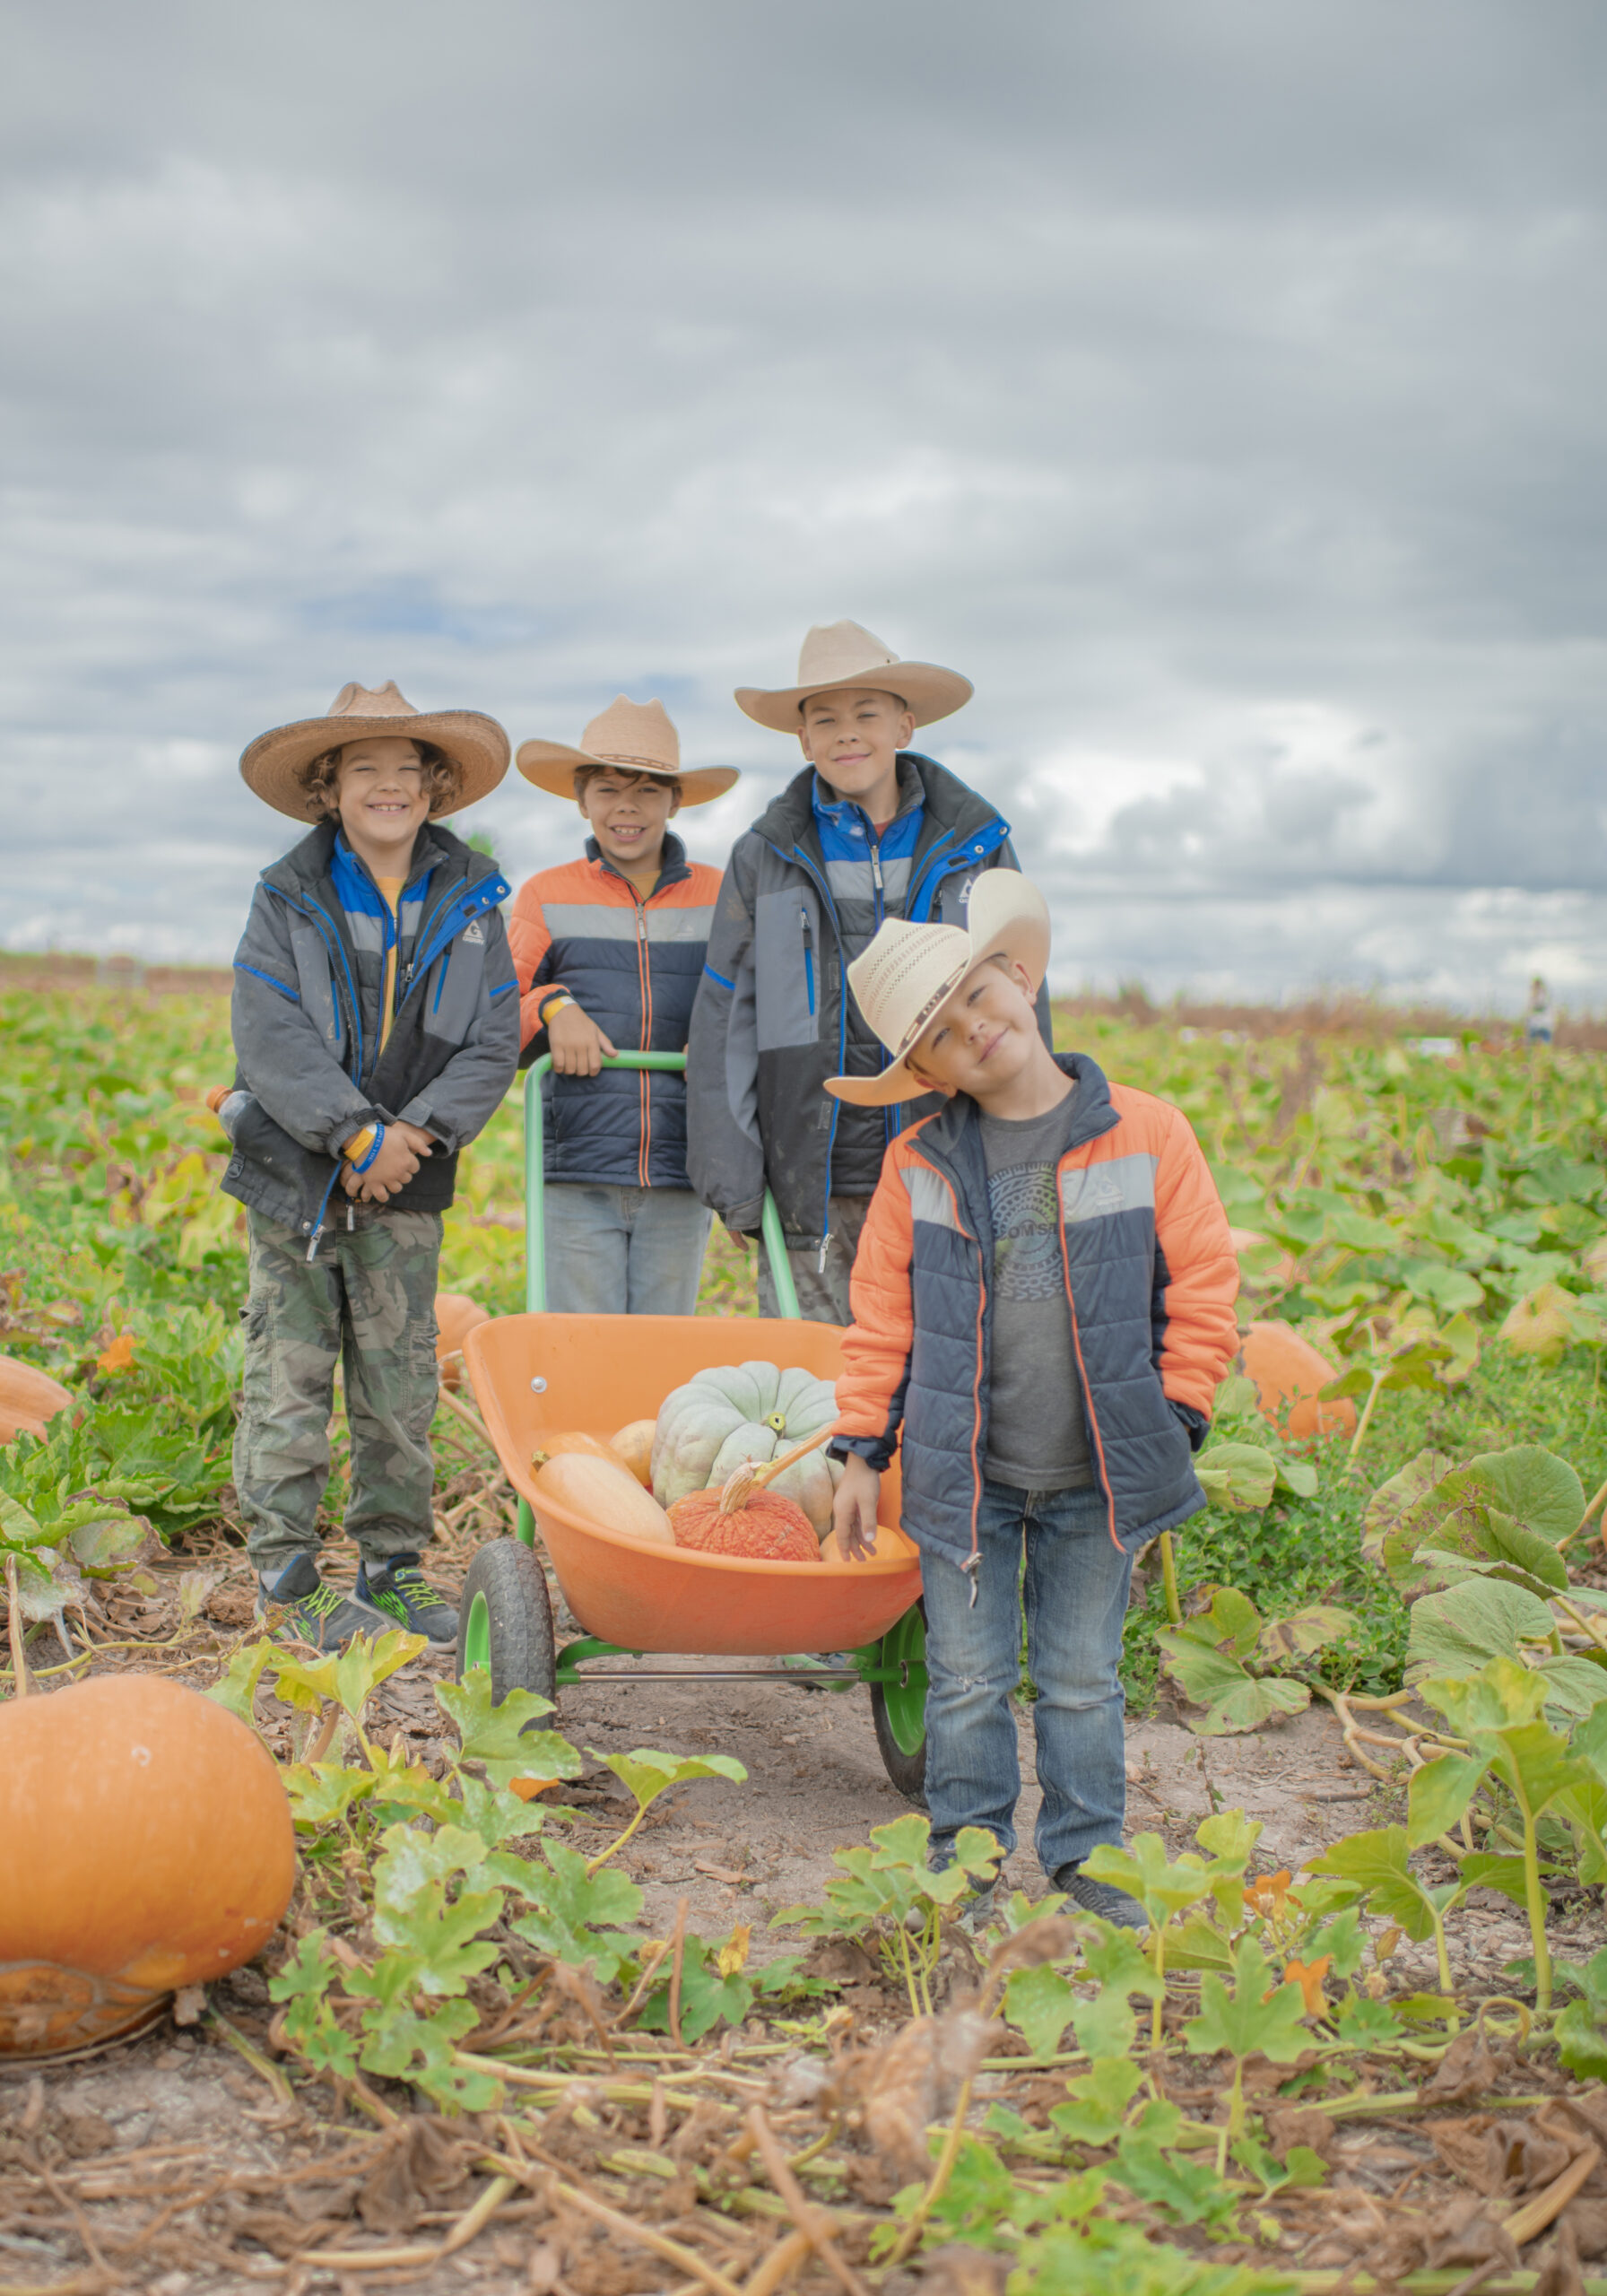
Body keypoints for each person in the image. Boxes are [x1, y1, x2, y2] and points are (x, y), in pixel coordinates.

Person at [825, 874, 1238, 1923]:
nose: (974, 1028)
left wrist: (1179, 1409)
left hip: (1097, 1473)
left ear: (1013, 975)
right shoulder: (917, 1162)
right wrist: (861, 1446)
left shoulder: (1146, 1132)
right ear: (921, 1069)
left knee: (1080, 1680)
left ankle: (1087, 1859)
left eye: (975, 995)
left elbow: (1201, 1283)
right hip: (966, 1478)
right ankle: (964, 1857)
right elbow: (881, 1313)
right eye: (940, 1033)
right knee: (966, 1683)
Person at [219, 680, 519, 1651]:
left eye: (406, 770)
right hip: (299, 1177)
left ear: (433, 788)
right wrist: (353, 1134)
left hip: (409, 1182)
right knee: (290, 1375)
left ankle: (392, 1567)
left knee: (398, 1387)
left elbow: (492, 1039)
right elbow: (269, 1034)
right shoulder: (286, 896)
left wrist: (412, 1137)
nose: (387, 786)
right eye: (364, 771)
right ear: (328, 790)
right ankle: (286, 1575)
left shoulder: (473, 901)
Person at [688, 619, 1043, 1324]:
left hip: (948, 1158)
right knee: (814, 1380)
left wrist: (1028, 1147)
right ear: (804, 741)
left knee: (941, 1359)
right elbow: (727, 1013)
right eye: (826, 720)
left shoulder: (975, 845)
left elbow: (1021, 998)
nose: (847, 733)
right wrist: (732, 1177)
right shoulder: (766, 856)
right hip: (809, 1177)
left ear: (905, 726)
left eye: (866, 714)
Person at [509, 698, 736, 1313]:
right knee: (583, 1350)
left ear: (676, 801)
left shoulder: (722, 895)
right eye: (607, 789)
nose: (626, 807)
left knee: (662, 1352)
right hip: (575, 1171)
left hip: (681, 1167)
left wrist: (719, 1039)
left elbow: (751, 1003)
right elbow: (496, 1008)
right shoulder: (545, 895)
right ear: (582, 801)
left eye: (646, 790)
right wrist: (554, 1006)